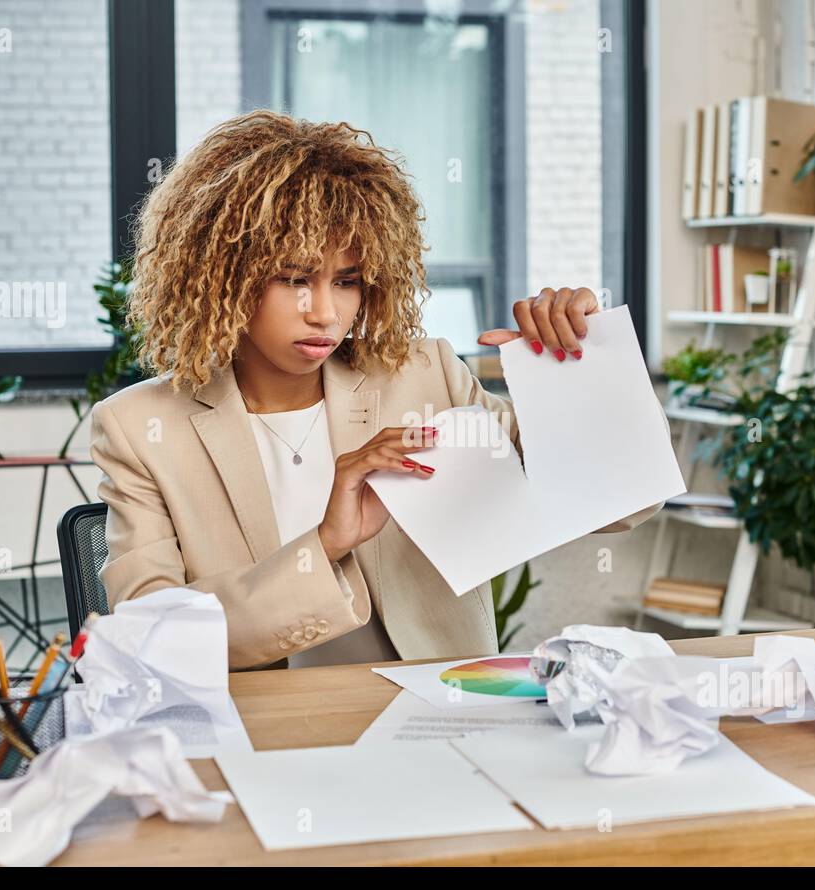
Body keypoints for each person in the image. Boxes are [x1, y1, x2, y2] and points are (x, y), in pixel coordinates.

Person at [90, 110, 664, 670]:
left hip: (437, 723)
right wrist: (327, 543)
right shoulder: (141, 428)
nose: (325, 313)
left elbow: (623, 500)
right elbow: (151, 638)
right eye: (293, 279)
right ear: (220, 275)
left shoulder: (423, 376)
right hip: (263, 734)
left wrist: (579, 374)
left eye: (347, 281)